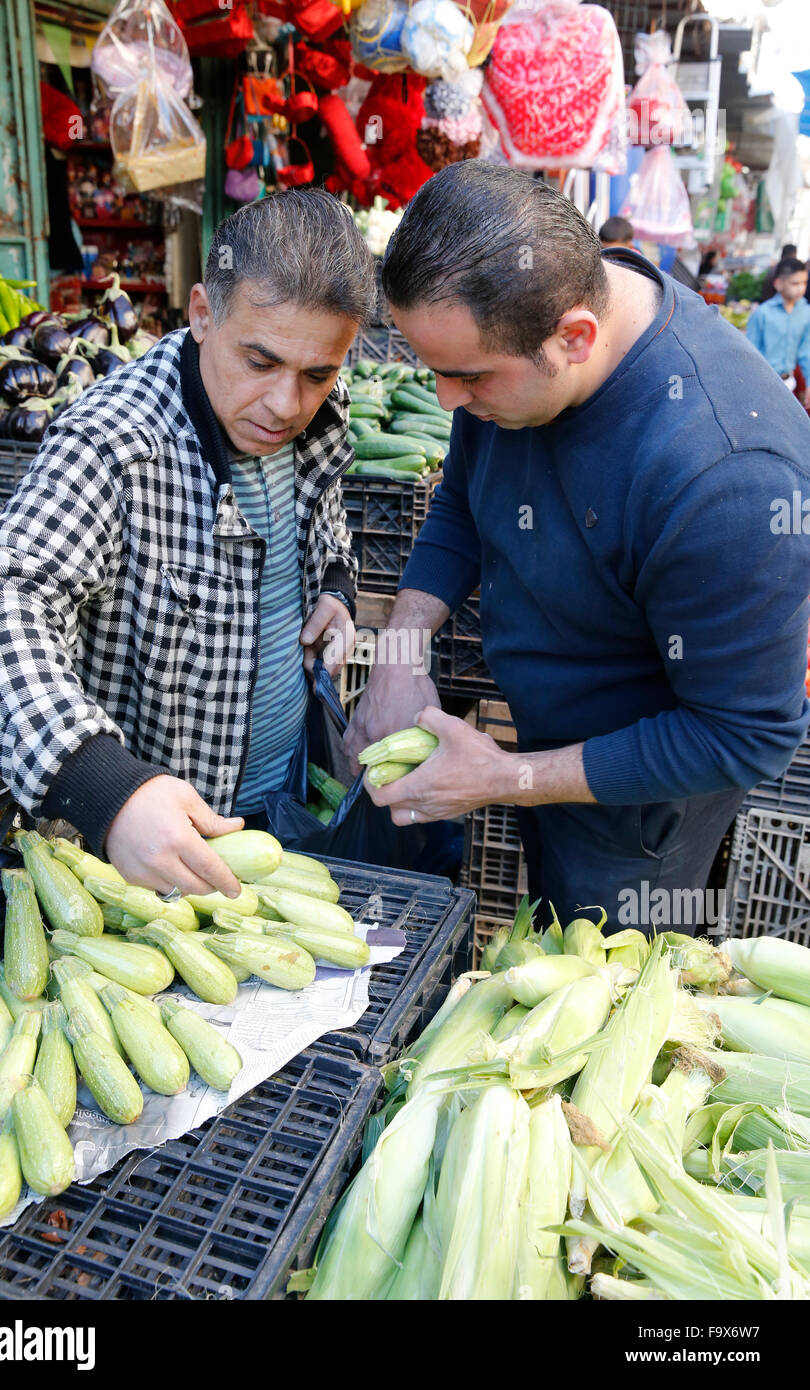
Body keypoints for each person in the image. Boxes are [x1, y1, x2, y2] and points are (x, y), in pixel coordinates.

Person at [345, 161, 810, 934]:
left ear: (575, 337)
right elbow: (462, 495)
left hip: (640, 802)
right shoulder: (524, 322)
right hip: (539, 732)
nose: (447, 401)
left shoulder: (730, 479)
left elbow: (746, 733)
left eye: (467, 379)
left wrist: (511, 776)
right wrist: (401, 646)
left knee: (605, 964)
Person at [0, 190, 372, 899]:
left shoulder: (313, 399)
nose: (286, 405)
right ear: (202, 314)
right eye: (260, 363)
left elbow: (325, 506)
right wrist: (105, 789)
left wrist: (335, 584)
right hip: (155, 854)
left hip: (285, 799)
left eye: (317, 374)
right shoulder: (115, 440)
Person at [745, 255, 810, 410]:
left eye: (804, 282)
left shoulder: (806, 312)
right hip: (762, 385)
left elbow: (805, 352)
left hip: (789, 383)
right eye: (795, 283)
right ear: (779, 283)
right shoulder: (762, 314)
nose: (801, 288)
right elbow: (749, 354)